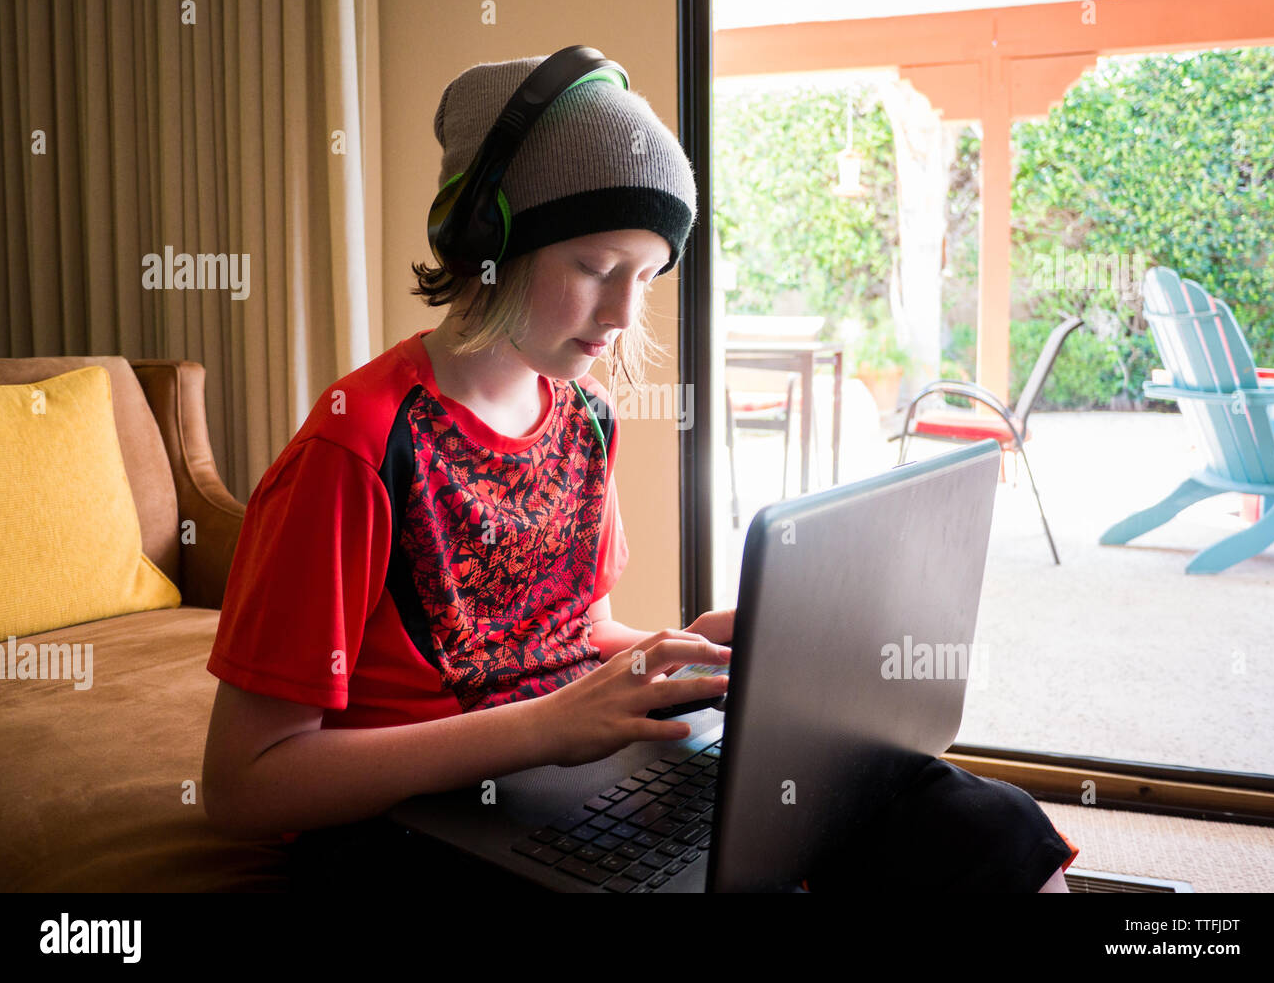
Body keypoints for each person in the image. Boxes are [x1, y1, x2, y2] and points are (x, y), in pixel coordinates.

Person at [202, 50, 1078, 894]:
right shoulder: (353, 452)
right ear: (487, 244)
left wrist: (682, 654)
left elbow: (574, 631)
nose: (623, 313)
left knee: (968, 819)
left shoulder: (584, 419)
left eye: (647, 277)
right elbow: (247, 783)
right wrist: (546, 726)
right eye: (594, 268)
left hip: (566, 776)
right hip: (410, 828)